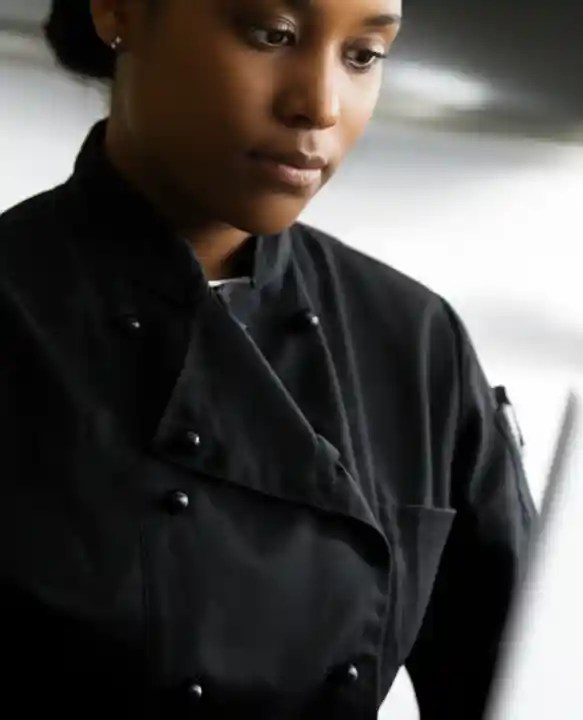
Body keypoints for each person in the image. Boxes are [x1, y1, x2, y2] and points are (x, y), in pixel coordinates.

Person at [0, 0, 535, 717]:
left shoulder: (412, 339)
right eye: (272, 35)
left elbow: (531, 686)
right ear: (119, 10)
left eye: (362, 56)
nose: (318, 104)